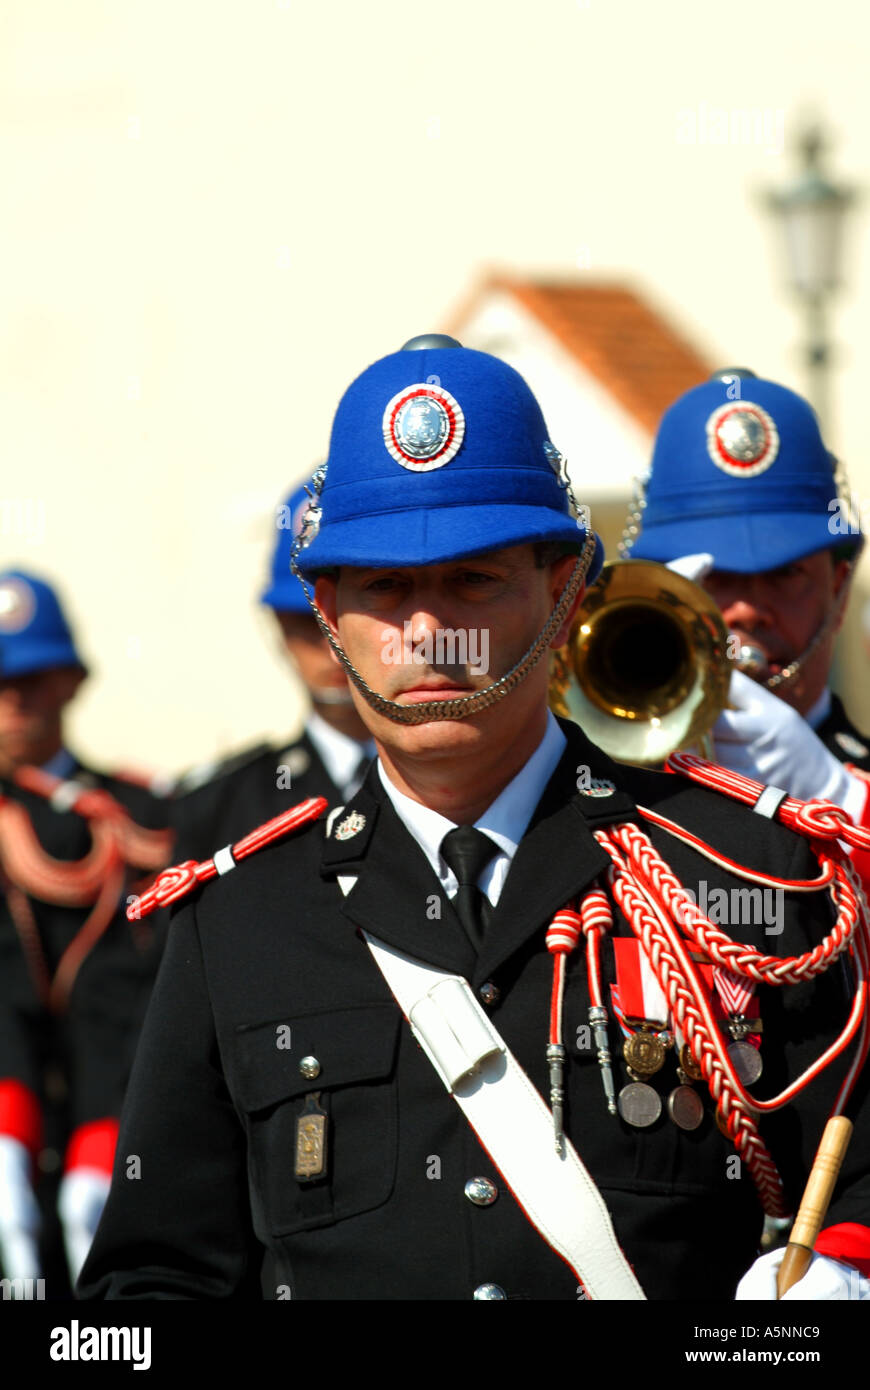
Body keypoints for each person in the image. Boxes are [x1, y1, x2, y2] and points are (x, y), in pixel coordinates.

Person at [78, 338, 870, 1302]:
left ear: (566, 586)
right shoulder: (238, 918)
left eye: (473, 581)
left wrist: (827, 1292)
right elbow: (153, 1287)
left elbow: (857, 1177)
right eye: (385, 587)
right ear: (328, 612)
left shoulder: (743, 864)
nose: (426, 629)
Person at [0, 570, 172, 1293]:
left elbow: (149, 995)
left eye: (32, 681)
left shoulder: (136, 816)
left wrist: (110, 1134)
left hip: (114, 1134)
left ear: (72, 681)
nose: (11, 703)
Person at [626, 370, 870, 822]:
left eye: (786, 573)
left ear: (838, 591)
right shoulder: (600, 788)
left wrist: (844, 801)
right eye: (714, 576)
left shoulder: (850, 788)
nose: (747, 611)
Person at [170, 483, 374, 864]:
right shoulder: (216, 804)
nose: (333, 649)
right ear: (277, 626)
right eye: (308, 623)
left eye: (347, 620)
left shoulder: (464, 782)